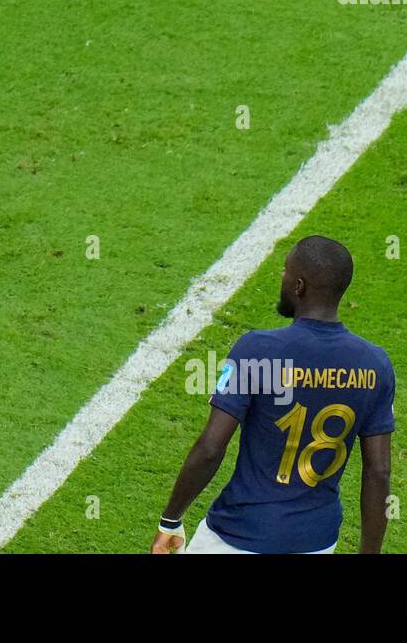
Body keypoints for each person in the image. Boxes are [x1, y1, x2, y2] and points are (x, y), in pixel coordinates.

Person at [151, 236, 394, 553]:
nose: (282, 277)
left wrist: (171, 520)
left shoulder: (258, 350)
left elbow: (211, 447)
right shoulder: (375, 365)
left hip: (238, 535)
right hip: (316, 542)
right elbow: (379, 470)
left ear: (299, 286)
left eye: (285, 272)